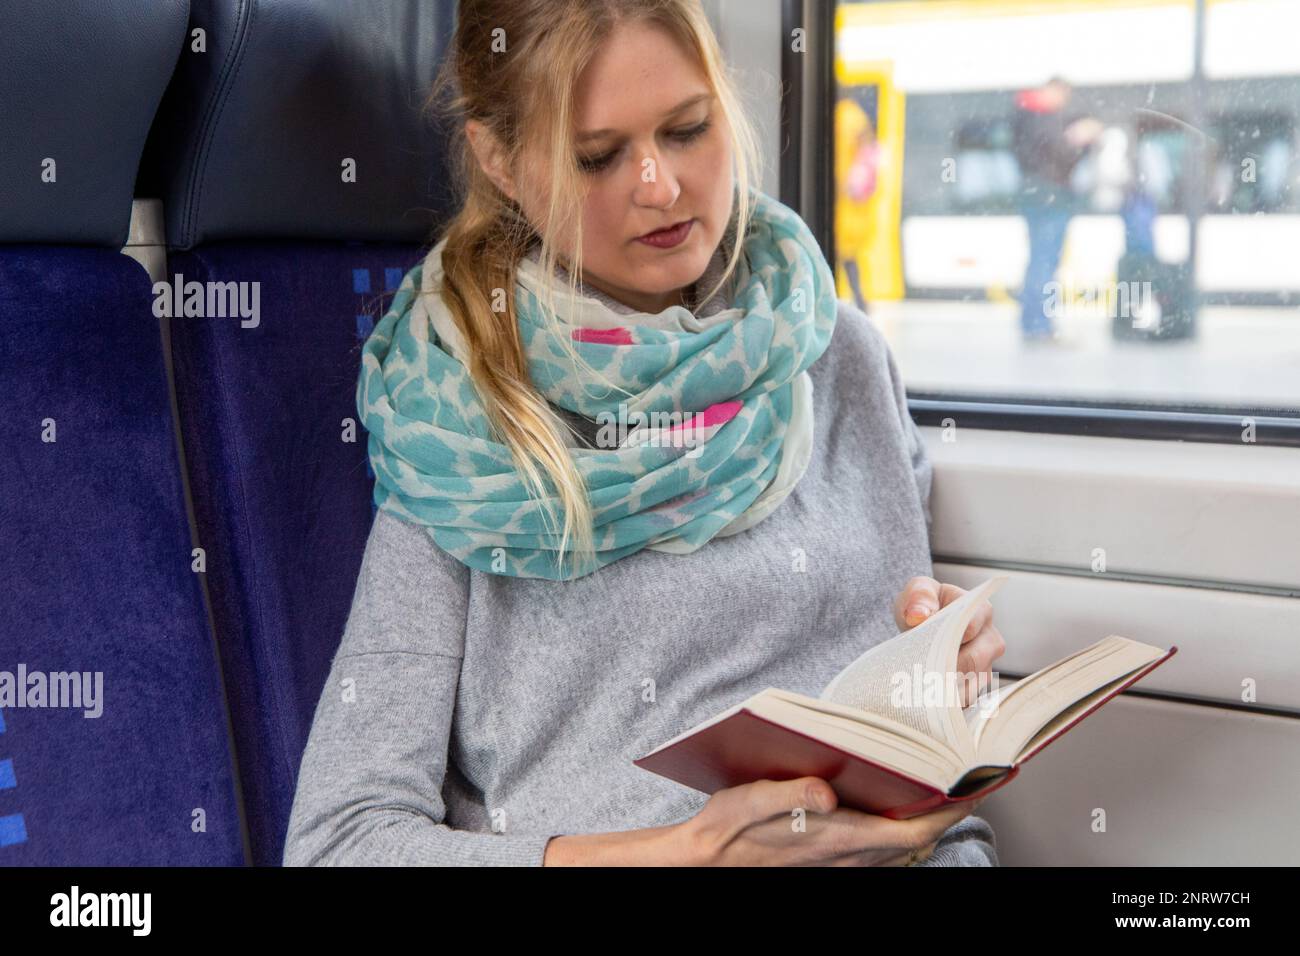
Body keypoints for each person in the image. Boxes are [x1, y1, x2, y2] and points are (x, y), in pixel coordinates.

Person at [283, 0, 1004, 867]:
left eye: (688, 129)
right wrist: (687, 854)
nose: (659, 185)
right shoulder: (459, 421)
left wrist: (938, 677)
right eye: (598, 156)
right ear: (501, 162)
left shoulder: (835, 352)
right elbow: (341, 844)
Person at [1011, 76, 1102, 342]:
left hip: (1037, 195)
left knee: (1039, 260)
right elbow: (1060, 155)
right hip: (1050, 197)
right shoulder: (1041, 117)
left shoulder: (1025, 114)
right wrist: (1079, 140)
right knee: (1045, 261)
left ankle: (1033, 322)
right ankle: (1039, 326)